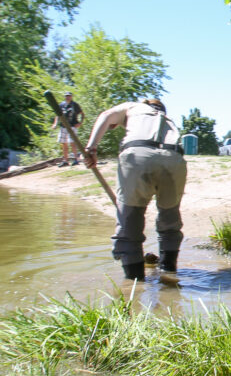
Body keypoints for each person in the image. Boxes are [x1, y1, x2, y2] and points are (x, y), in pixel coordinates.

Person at [83, 98, 187, 280]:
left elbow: (106, 115)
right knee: (170, 220)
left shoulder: (133, 106)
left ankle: (134, 284)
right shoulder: (165, 119)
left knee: (130, 224)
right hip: (174, 158)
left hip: (138, 156)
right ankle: (168, 272)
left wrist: (91, 148)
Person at [51, 92, 84, 167]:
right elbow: (57, 115)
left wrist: (80, 123)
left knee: (72, 142)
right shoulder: (61, 105)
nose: (68, 97)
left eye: (69, 96)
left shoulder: (75, 105)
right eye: (66, 96)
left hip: (72, 126)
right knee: (64, 143)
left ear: (71, 97)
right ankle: (65, 161)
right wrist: (55, 123)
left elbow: (82, 114)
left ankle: (76, 160)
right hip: (63, 126)